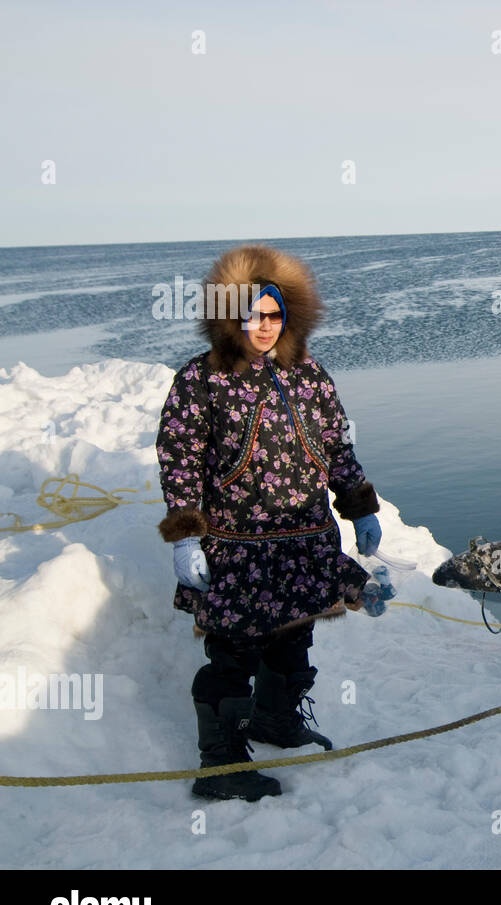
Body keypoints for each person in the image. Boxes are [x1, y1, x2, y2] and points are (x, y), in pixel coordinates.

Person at [156, 244, 383, 802]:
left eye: (273, 314)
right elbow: (179, 455)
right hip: (239, 543)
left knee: (292, 634)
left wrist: (359, 508)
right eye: (251, 313)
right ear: (230, 314)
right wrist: (188, 537)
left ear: (290, 315)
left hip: (305, 537)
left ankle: (275, 721)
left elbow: (335, 443)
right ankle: (222, 766)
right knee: (233, 651)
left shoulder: (308, 373)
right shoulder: (203, 378)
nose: (262, 325)